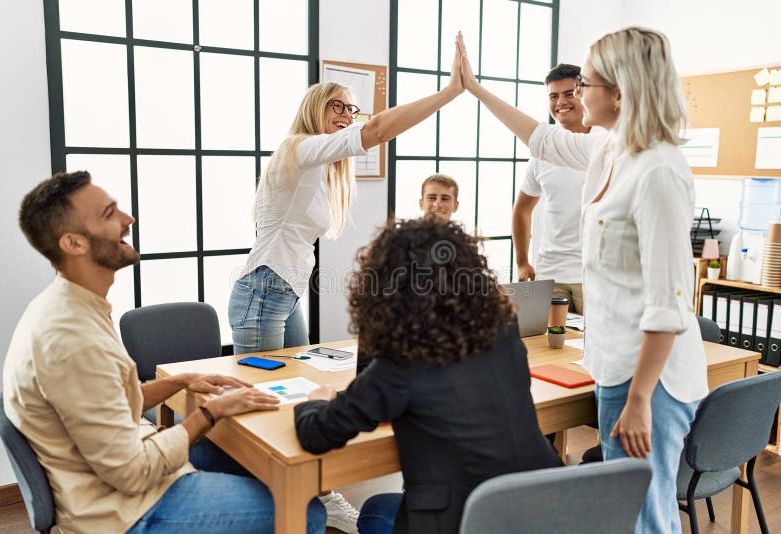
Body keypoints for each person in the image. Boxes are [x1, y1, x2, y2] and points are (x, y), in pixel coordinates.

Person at [458, 28, 708, 533]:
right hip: (616, 366)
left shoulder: (657, 170)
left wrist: (639, 400)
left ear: (620, 93)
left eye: (584, 85)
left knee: (644, 517)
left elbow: (669, 303)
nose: (575, 95)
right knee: (626, 514)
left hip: (650, 382)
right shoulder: (610, 150)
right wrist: (476, 89)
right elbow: (541, 138)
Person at [228, 39, 464, 532]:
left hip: (284, 291)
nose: (346, 115)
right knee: (263, 409)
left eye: (350, 108)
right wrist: (447, 94)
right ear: (314, 107)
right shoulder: (298, 148)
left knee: (300, 394)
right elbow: (375, 131)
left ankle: (319, 493)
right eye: (336, 105)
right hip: (263, 290)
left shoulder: (318, 164)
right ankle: (263, 510)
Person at [3, 171, 325, 534]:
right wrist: (211, 412)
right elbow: (133, 473)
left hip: (128, 465)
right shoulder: (70, 338)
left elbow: (111, 401)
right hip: (123, 510)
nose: (128, 219)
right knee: (306, 512)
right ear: (73, 243)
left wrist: (182, 381)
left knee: (274, 463)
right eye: (109, 214)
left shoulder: (76, 306)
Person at [294, 218, 563, 534]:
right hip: (543, 506)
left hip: (462, 521)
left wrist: (316, 401)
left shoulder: (400, 364)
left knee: (373, 512)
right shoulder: (504, 329)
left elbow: (317, 433)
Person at [513, 63, 603, 314]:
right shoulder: (542, 153)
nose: (560, 102)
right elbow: (522, 209)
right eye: (553, 96)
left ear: (584, 93)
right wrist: (522, 261)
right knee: (548, 339)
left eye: (568, 93)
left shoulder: (604, 144)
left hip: (594, 276)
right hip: (550, 274)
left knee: (593, 339)